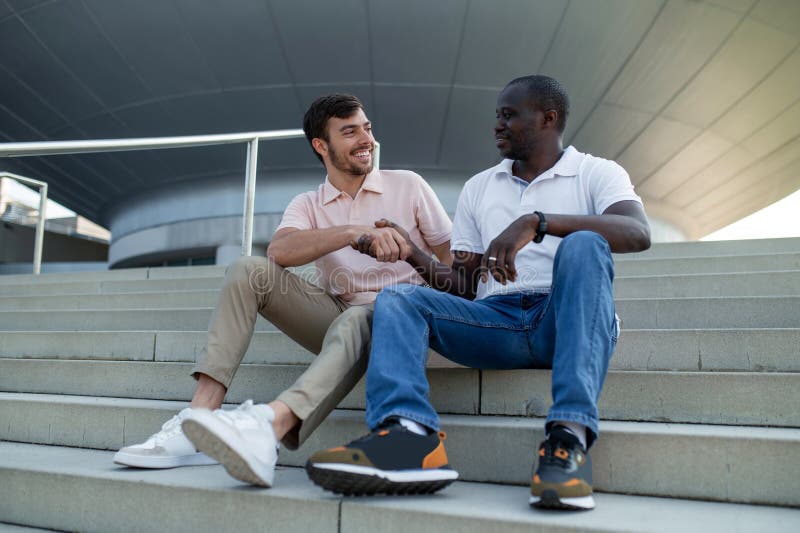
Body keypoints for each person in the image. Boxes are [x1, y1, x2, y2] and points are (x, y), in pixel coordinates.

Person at [306, 75, 651, 511]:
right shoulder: (480, 186)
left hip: (566, 319)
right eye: (497, 116)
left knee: (584, 244)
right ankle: (408, 438)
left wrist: (537, 222)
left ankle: (567, 440)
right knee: (397, 299)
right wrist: (413, 254)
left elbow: (638, 232)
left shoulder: (596, 172)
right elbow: (465, 286)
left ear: (549, 118)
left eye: (509, 115)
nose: (497, 125)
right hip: (497, 321)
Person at [113, 94, 453, 488]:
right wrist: (350, 232)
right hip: (337, 311)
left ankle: (268, 428)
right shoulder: (308, 203)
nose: (366, 139)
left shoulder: (408, 185)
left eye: (367, 128)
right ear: (321, 146)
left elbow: (451, 264)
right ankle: (200, 417)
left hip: (404, 319)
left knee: (361, 318)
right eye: (350, 132)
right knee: (248, 269)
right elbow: (280, 251)